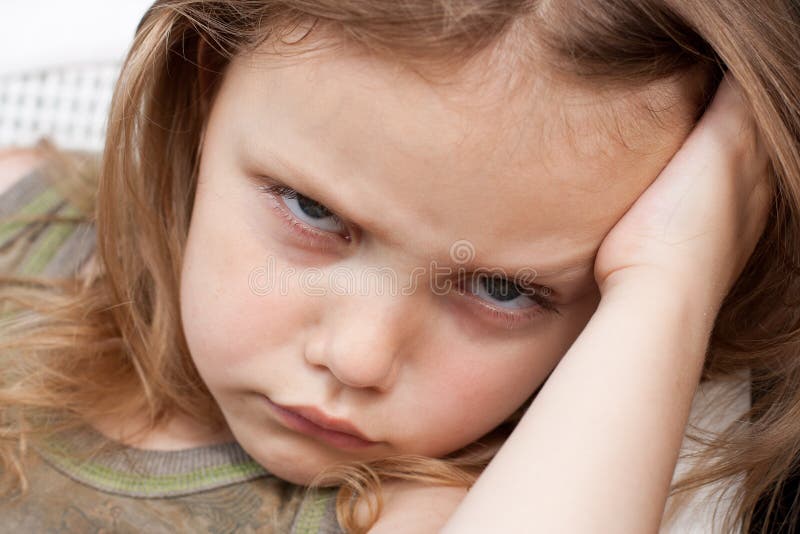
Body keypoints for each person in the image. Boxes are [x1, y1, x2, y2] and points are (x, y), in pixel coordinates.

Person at [0, 1, 795, 532]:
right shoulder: (23, 218)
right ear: (204, 84)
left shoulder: (422, 511)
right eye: (313, 212)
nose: (358, 357)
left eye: (500, 289)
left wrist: (668, 281)